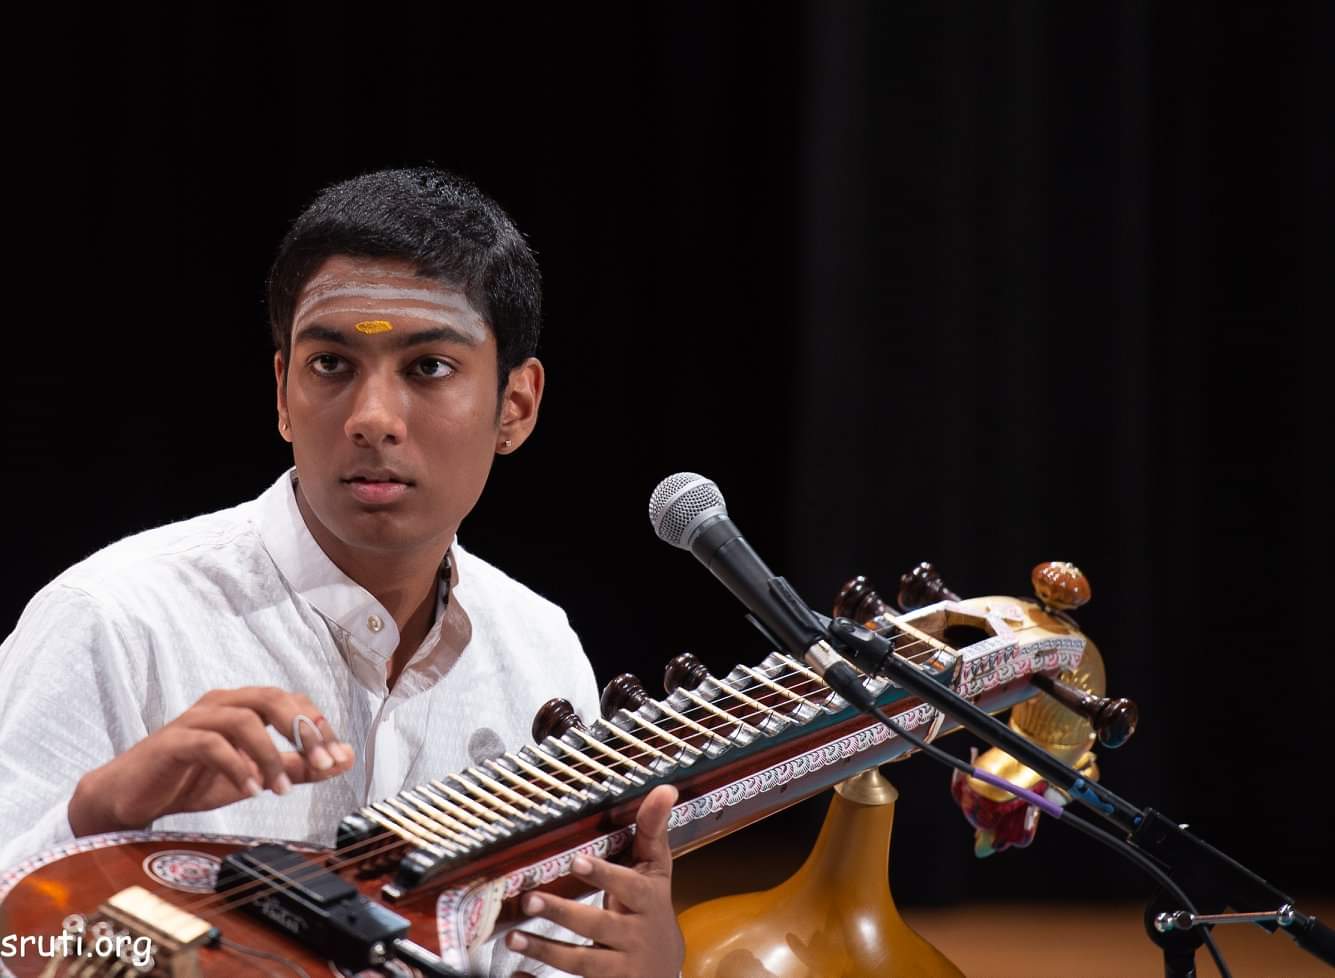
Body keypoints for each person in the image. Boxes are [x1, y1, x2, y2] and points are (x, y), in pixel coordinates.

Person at [0, 167, 685, 978]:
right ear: (284, 394)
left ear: (516, 406)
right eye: (331, 365)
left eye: (427, 366)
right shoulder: (114, 618)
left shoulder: (537, 648)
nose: (371, 420)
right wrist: (95, 817)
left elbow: (542, 957)